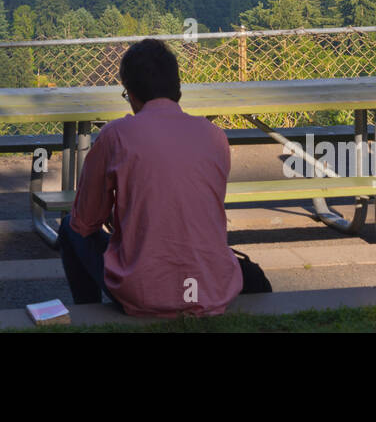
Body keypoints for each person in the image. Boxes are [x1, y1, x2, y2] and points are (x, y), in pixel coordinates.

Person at [57, 38, 271, 317]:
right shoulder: (214, 135)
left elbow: (85, 222)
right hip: (210, 288)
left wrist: (117, 213)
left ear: (132, 94)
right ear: (177, 87)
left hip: (145, 293)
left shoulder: (115, 135)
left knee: (69, 229)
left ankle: (89, 314)